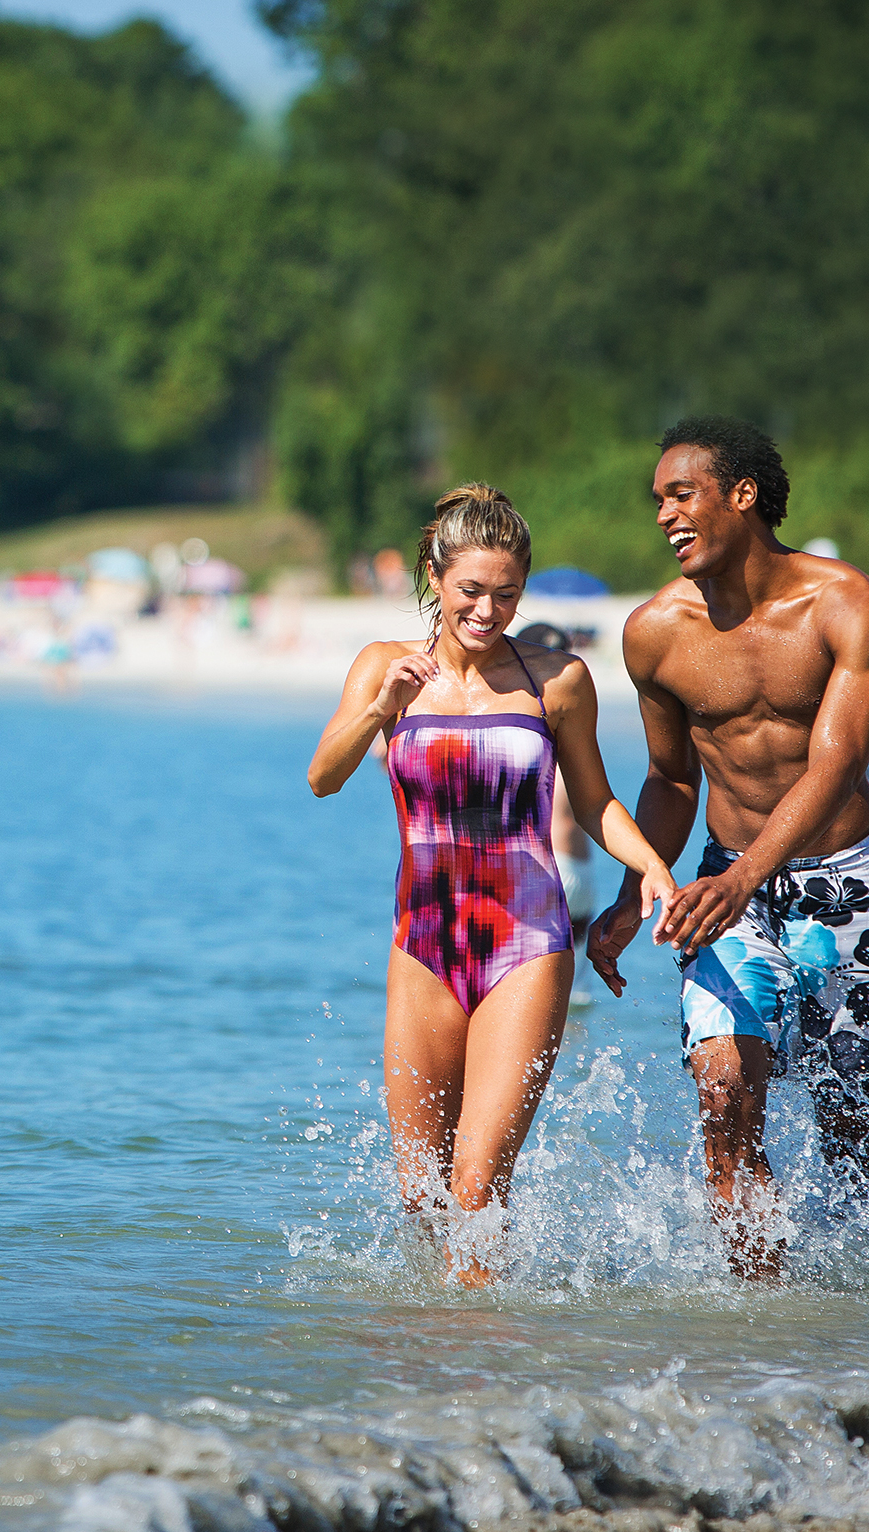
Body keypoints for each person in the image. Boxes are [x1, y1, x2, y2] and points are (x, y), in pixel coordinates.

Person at [309, 483, 678, 1286]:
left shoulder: (557, 681)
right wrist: (381, 709)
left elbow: (596, 801)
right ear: (435, 576)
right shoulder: (383, 666)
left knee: (477, 1190)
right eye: (472, 590)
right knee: (422, 1197)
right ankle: (438, 1380)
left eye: (507, 594)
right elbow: (321, 778)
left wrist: (648, 862)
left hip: (529, 942)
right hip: (423, 945)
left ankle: (483, 1381)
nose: (487, 610)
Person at [585, 417, 869, 1281]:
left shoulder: (851, 606)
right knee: (724, 1097)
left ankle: (863, 1323)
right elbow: (671, 782)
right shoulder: (655, 632)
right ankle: (761, 1330)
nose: (663, 516)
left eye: (679, 494)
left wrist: (747, 876)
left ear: (743, 495)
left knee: (851, 1136)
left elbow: (837, 767)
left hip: (844, 890)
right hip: (727, 884)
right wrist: (631, 892)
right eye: (656, 501)